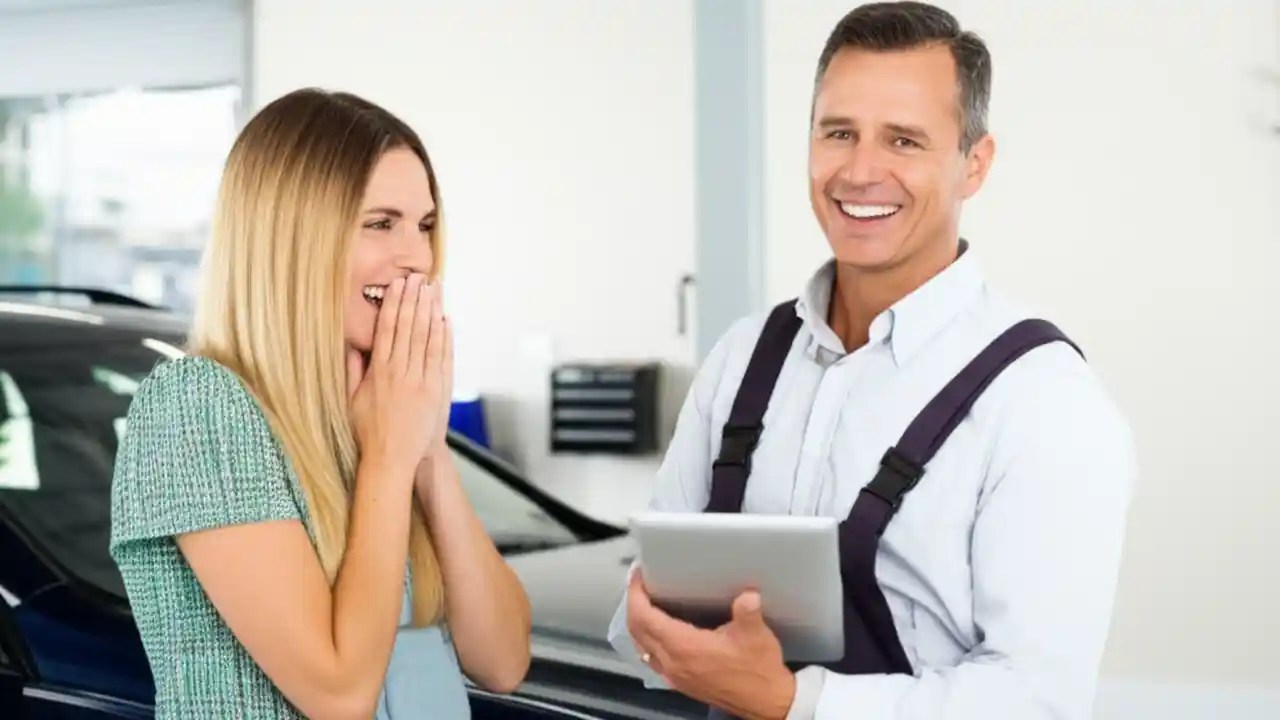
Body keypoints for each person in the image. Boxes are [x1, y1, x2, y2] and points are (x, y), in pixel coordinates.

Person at [607, 3, 1135, 719]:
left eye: (904, 141)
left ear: (973, 165)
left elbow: (1037, 699)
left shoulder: (1045, 400)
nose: (860, 171)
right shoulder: (741, 359)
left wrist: (793, 701)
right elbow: (643, 602)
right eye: (839, 133)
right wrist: (652, 628)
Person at [109, 88, 532, 719]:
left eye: (425, 225)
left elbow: (502, 661)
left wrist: (427, 450)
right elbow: (339, 696)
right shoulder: (196, 407)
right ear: (292, 236)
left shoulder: (373, 417)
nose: (416, 258)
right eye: (380, 224)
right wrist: (390, 458)